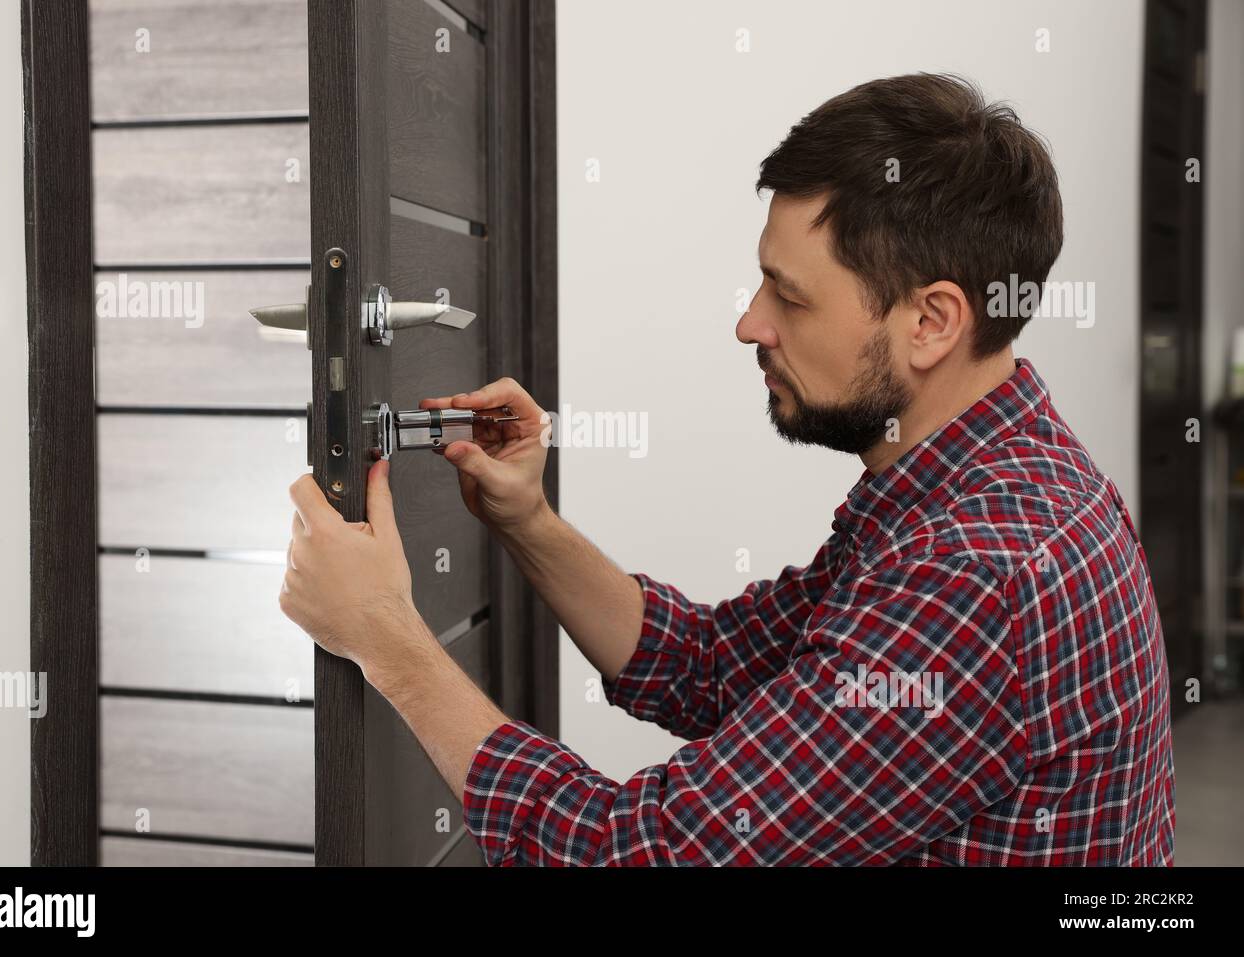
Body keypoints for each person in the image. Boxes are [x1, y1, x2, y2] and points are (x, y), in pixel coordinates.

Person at [279, 73, 1175, 866]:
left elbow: (627, 854)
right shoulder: (973, 479)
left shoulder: (974, 575)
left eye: (789, 295)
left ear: (932, 321)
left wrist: (384, 638)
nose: (750, 323)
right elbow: (713, 665)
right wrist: (528, 521)